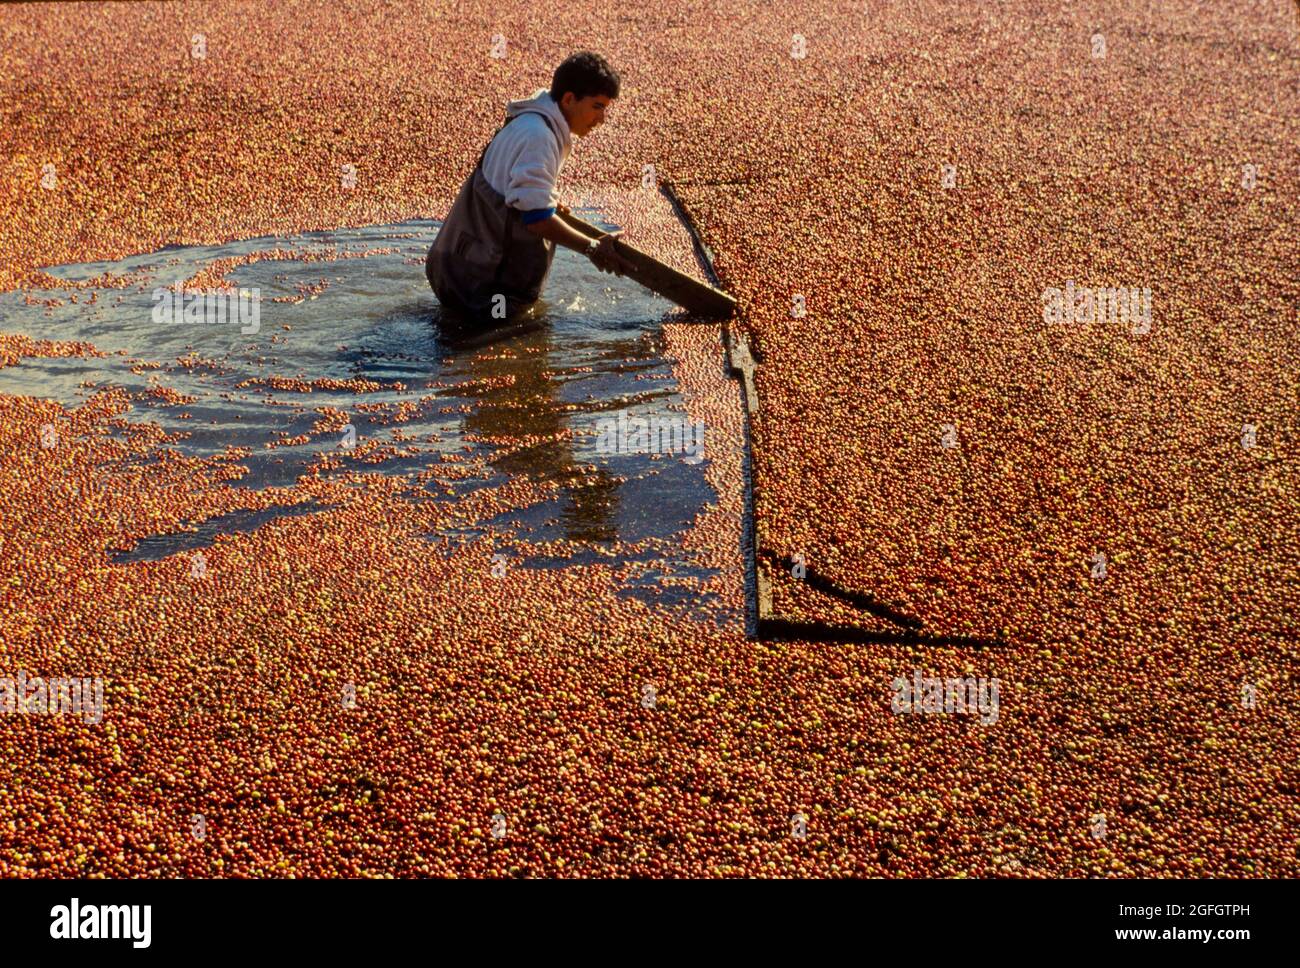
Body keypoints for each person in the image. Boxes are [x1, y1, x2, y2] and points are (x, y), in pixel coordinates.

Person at [426, 51, 634, 327]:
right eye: (597, 106)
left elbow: (514, 195)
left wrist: (546, 203)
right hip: (486, 289)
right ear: (569, 99)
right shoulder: (540, 137)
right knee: (494, 349)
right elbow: (536, 219)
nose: (602, 119)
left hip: (457, 268)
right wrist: (593, 248)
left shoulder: (527, 123)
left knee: (462, 332)